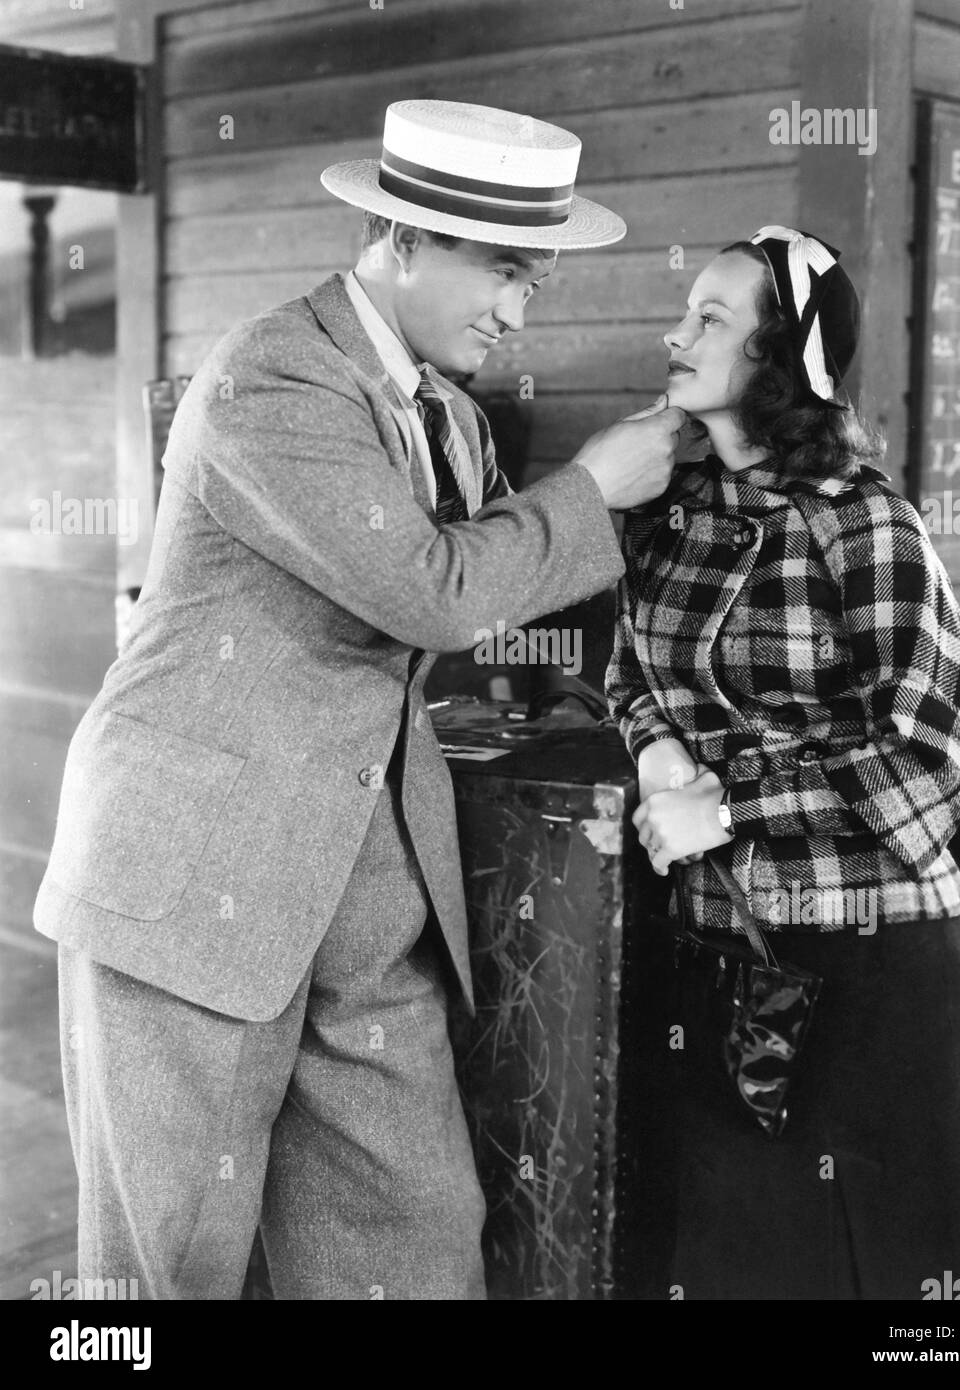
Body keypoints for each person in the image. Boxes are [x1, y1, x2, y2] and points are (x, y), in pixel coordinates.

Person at [33, 98, 684, 1300]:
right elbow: (433, 593)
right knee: (158, 1276)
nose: (516, 309)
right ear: (403, 240)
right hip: (191, 877)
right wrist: (595, 486)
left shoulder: (452, 414)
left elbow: (480, 580)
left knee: (416, 1235)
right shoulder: (275, 373)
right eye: (500, 271)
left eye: (532, 282)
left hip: (365, 885)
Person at [606, 226, 960, 1299]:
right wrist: (658, 756)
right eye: (685, 310)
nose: (677, 330)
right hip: (732, 967)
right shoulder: (672, 516)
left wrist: (732, 806)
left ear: (777, 354)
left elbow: (934, 760)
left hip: (878, 975)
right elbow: (630, 674)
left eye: (711, 316)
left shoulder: (864, 519)